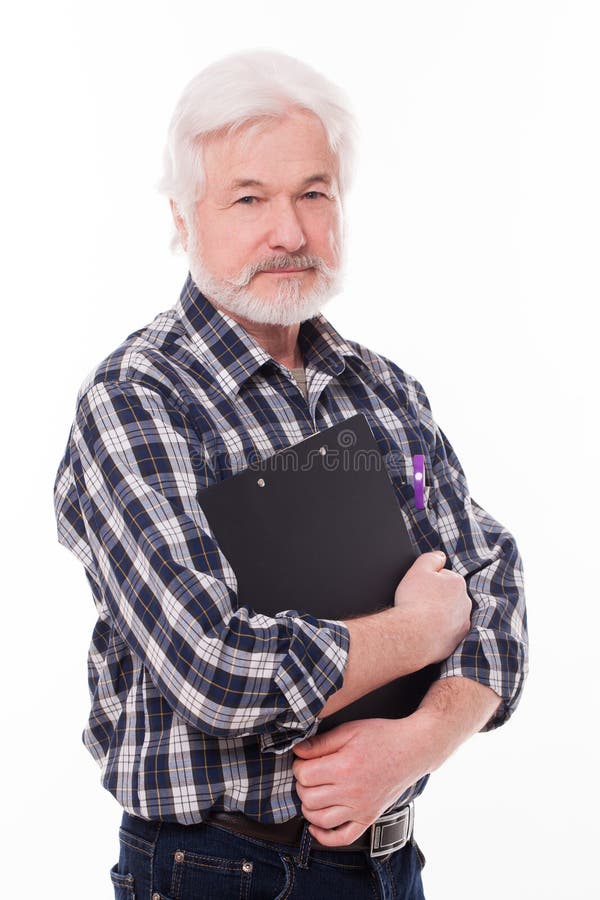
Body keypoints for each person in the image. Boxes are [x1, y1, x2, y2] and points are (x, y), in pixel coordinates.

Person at [54, 50, 528, 899]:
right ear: (181, 215)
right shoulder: (138, 399)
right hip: (218, 868)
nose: (291, 232)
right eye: (249, 198)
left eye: (314, 192)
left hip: (389, 861)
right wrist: (415, 634)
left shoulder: (382, 389)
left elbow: (494, 587)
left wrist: (415, 742)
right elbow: (212, 666)